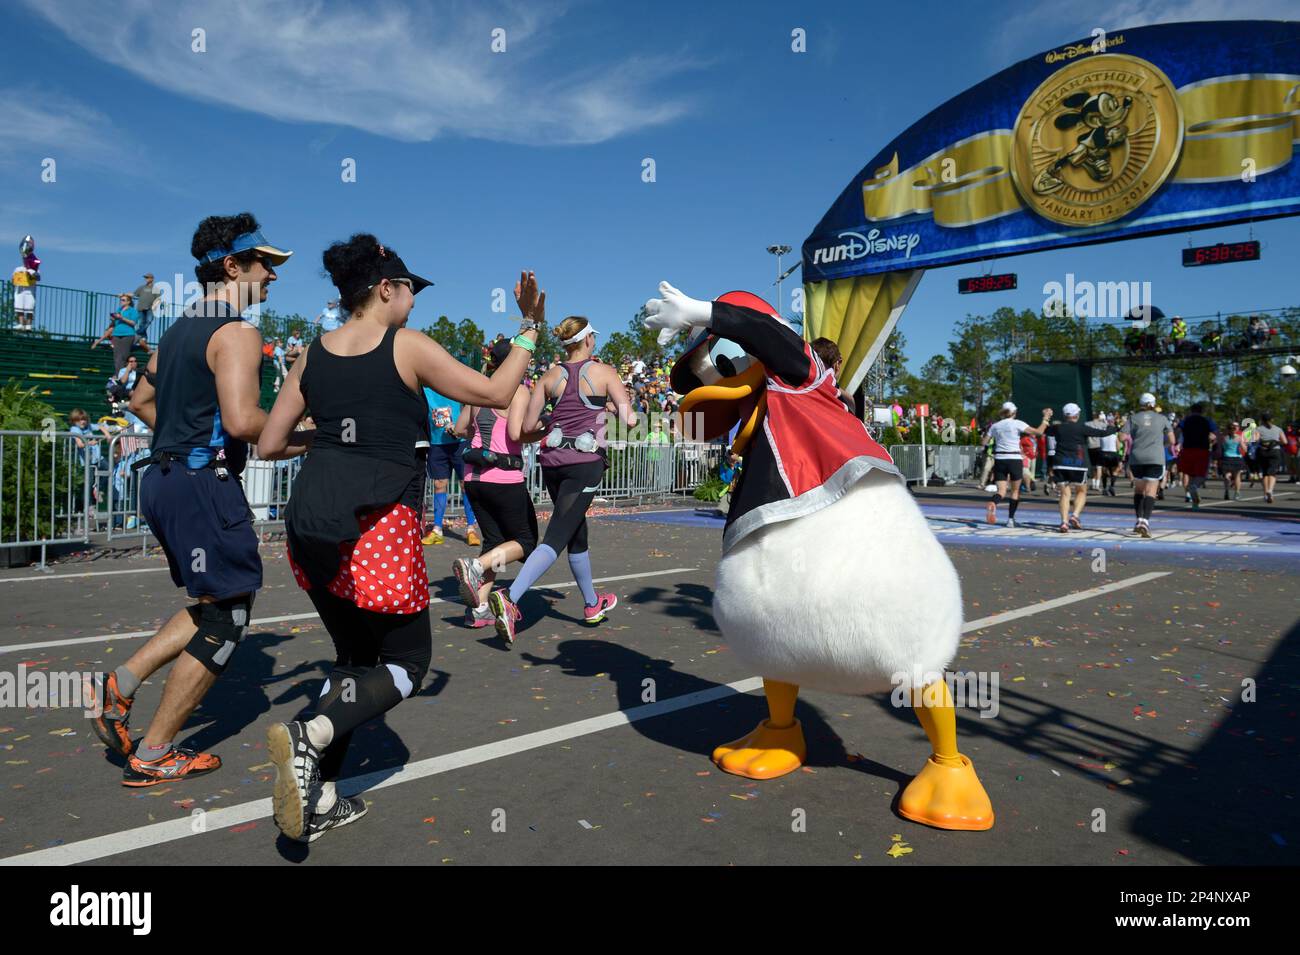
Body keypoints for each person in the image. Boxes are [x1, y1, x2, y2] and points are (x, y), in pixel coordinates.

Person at [258, 237, 542, 841]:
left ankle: (320, 794)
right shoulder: (403, 346)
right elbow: (494, 393)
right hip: (374, 525)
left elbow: (270, 443)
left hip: (310, 521)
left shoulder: (313, 355)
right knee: (408, 663)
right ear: (386, 288)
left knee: (354, 661)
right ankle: (310, 734)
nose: (414, 301)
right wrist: (529, 326)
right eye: (410, 289)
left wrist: (333, 439)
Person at [85, 211, 292, 787]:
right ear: (233, 266)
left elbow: (140, 400)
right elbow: (246, 420)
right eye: (265, 264)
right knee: (230, 616)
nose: (273, 276)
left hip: (163, 479)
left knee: (212, 599)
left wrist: (182, 442)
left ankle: (120, 684)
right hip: (202, 484)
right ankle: (153, 752)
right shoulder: (237, 332)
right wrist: (313, 436)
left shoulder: (178, 328)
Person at [486, 316, 637, 644]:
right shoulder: (604, 372)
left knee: (575, 531)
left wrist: (556, 423)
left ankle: (591, 604)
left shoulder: (548, 376)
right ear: (587, 341)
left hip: (552, 460)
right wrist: (616, 408)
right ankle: (510, 598)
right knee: (556, 536)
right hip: (584, 463)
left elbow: (527, 428)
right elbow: (631, 419)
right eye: (593, 338)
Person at [451, 338, 545, 629]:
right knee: (527, 543)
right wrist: (542, 430)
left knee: (494, 542)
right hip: (503, 476)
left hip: (473, 477)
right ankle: (474, 567)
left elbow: (458, 429)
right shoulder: (517, 392)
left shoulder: (480, 389)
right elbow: (517, 433)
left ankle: (478, 610)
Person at [1044, 403, 1117, 532]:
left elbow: (1044, 429)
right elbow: (1102, 433)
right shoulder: (1082, 428)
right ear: (1077, 415)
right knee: (1081, 491)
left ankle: (1064, 522)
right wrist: (1115, 427)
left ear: (1064, 415)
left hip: (1060, 462)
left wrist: (1045, 417)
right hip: (1078, 463)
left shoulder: (1057, 428)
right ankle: (1075, 515)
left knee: (1064, 494)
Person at [422, 386, 481, 547]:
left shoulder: (451, 383)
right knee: (439, 484)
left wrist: (461, 427)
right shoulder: (424, 388)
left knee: (464, 484)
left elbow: (471, 404)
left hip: (459, 442)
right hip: (437, 444)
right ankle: (437, 530)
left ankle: (470, 529)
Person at [983, 402, 1052, 528]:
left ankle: (994, 502)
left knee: (1001, 491)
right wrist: (1046, 418)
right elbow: (1038, 432)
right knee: (1015, 492)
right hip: (1014, 458)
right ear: (1014, 412)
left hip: (1000, 458)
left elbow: (984, 442)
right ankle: (1010, 520)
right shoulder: (1017, 423)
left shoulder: (995, 426)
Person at [1123, 392, 1176, 538]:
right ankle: (1145, 521)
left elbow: (1122, 437)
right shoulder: (1162, 418)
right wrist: (1161, 444)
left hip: (1137, 457)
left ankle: (1138, 520)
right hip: (1155, 457)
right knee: (1151, 490)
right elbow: (1172, 440)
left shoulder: (1133, 418)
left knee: (1139, 490)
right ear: (1153, 404)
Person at [1176, 402, 1217, 509]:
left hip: (1187, 449)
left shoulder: (1185, 420)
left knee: (1189, 473)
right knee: (1201, 475)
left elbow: (1178, 432)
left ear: (1191, 410)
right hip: (1201, 450)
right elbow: (1214, 435)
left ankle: (1194, 501)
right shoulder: (1207, 421)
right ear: (1202, 411)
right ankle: (1193, 487)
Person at [91, 293, 141, 372]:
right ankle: (118, 376)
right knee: (117, 357)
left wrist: (122, 318)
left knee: (124, 356)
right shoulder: (119, 309)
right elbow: (115, 321)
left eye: (123, 300)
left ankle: (125, 375)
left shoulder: (133, 311)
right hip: (116, 334)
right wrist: (114, 318)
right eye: (121, 300)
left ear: (128, 302)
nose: (121, 301)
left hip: (128, 335)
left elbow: (133, 323)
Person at [1254, 414, 1286, 503]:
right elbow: (1285, 441)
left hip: (1262, 452)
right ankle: (1270, 490)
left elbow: (1256, 440)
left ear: (1262, 420)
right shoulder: (1278, 429)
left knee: (1265, 473)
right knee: (1272, 473)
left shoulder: (1258, 429)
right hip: (1275, 452)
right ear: (1272, 419)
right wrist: (1275, 442)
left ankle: (1265, 493)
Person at [1217, 421, 1245, 500]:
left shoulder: (1224, 438)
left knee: (1227, 475)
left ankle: (1226, 490)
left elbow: (1220, 446)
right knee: (1237, 476)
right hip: (1237, 458)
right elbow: (1244, 449)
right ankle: (1237, 493)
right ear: (1235, 429)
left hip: (1226, 458)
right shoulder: (1239, 438)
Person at [133, 273, 161, 348]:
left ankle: (137, 333)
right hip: (140, 308)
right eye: (145, 278)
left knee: (148, 321)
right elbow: (134, 294)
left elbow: (158, 298)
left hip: (149, 309)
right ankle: (144, 339)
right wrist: (124, 294)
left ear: (152, 279)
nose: (146, 279)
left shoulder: (155, 288)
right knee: (142, 323)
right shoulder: (141, 287)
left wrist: (154, 307)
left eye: (148, 277)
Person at [12, 261, 38, 330]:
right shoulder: (18, 269)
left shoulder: (35, 270)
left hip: (30, 291)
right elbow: (13, 279)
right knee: (19, 307)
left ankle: (28, 325)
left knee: (29, 308)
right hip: (20, 290)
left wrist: (32, 273)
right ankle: (21, 324)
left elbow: (38, 278)